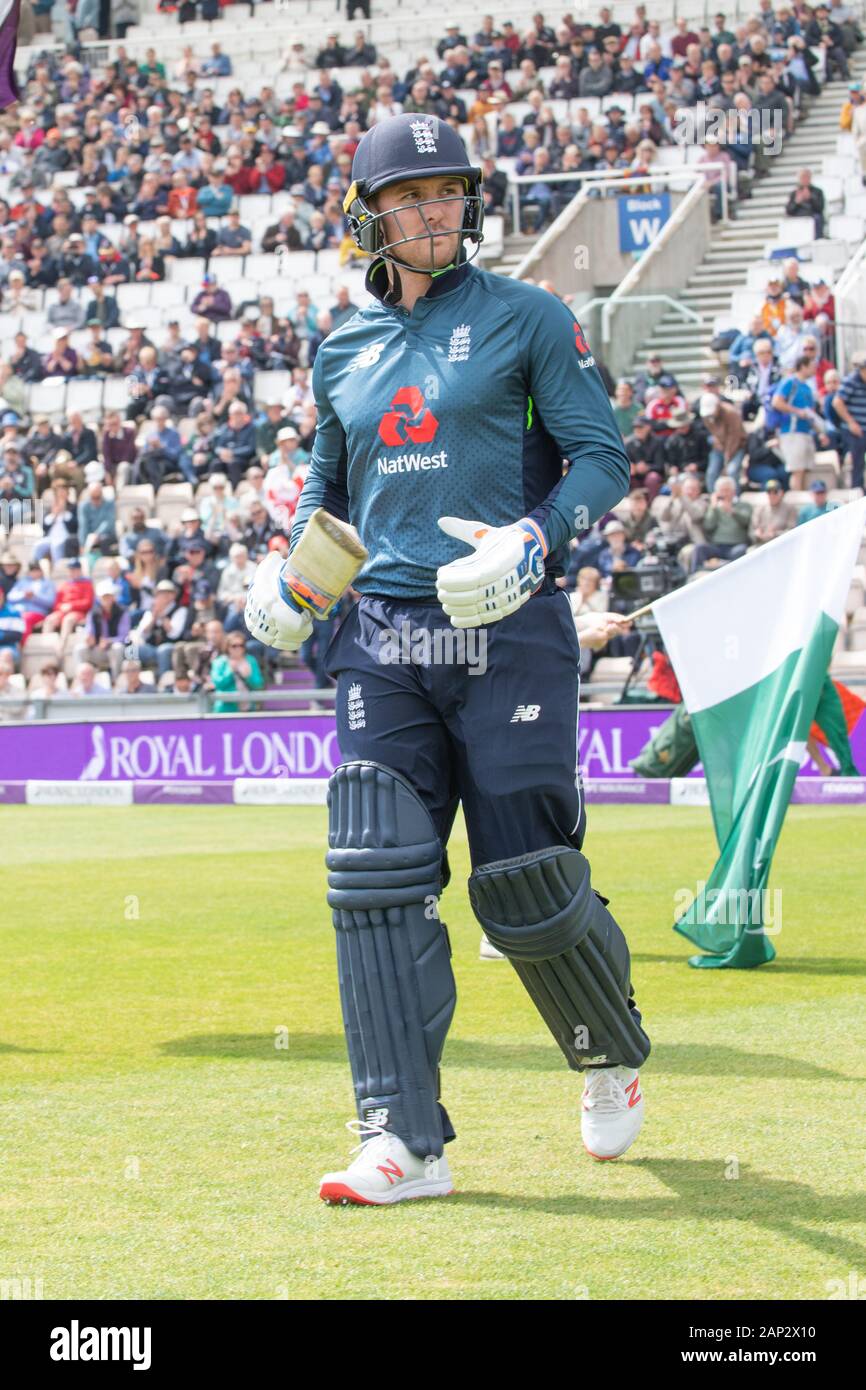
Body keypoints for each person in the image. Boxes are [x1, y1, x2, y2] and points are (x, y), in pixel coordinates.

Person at [244, 113, 650, 1205]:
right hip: (382, 633)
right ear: (366, 214)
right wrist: (292, 582)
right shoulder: (340, 345)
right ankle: (400, 1140)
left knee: (521, 877)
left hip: (507, 628)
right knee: (374, 873)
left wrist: (532, 536)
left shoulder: (526, 317)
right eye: (408, 197)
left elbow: (600, 461)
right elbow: (330, 505)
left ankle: (603, 1049)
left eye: (447, 193)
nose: (432, 213)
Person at [690, 477, 751, 572]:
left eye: (727, 490)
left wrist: (732, 511)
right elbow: (708, 526)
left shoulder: (743, 505)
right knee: (700, 548)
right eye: (721, 491)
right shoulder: (715, 508)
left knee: (741, 550)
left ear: (734, 491)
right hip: (717, 546)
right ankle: (695, 576)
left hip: (735, 545)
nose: (724, 494)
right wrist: (713, 508)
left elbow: (746, 521)